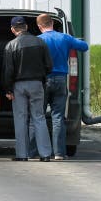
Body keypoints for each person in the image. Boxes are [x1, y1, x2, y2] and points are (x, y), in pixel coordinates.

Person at [35, 12, 89, 160]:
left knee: (38, 116)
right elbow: (84, 47)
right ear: (52, 23)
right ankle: (59, 153)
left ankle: (34, 151)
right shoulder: (64, 38)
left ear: (39, 26)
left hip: (43, 81)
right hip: (61, 80)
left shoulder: (38, 40)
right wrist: (73, 41)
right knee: (58, 117)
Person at [2, 16, 53, 161]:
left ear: (13, 29)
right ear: (26, 27)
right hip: (37, 84)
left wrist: (8, 89)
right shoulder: (40, 42)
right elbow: (49, 66)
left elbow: (8, 71)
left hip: (18, 86)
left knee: (20, 118)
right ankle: (45, 154)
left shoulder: (11, 45)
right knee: (39, 117)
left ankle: (22, 155)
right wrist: (41, 78)